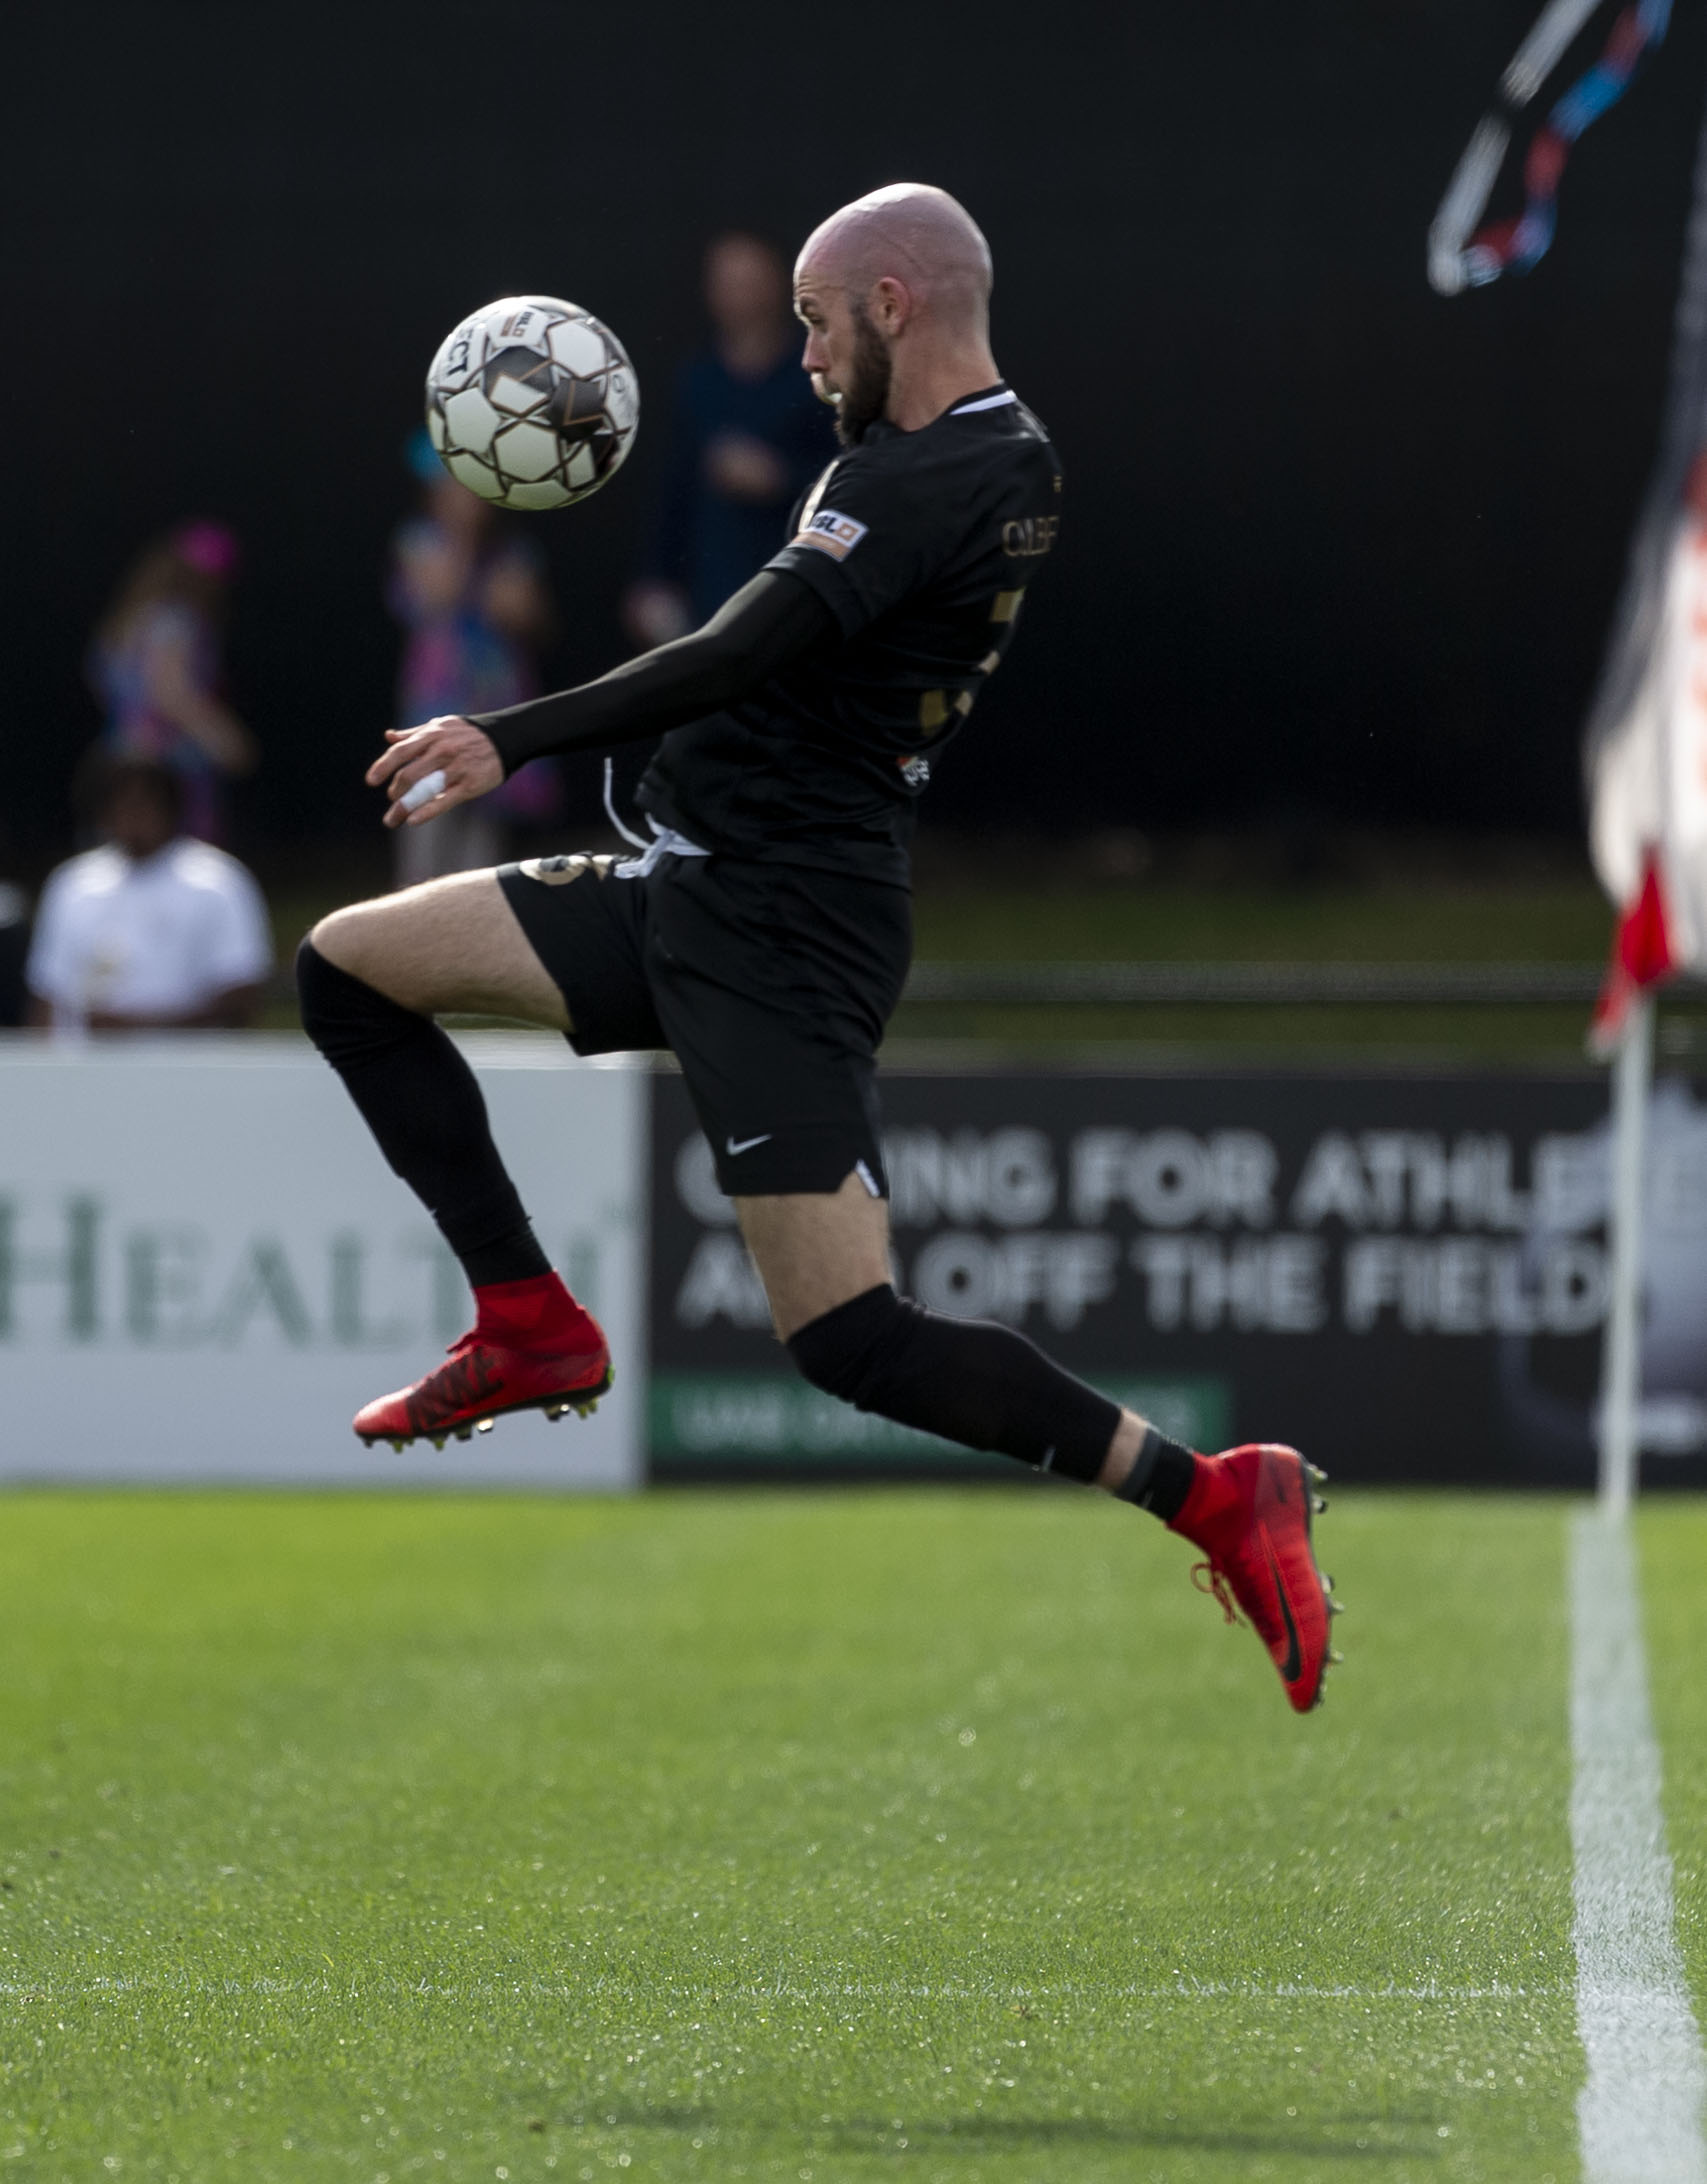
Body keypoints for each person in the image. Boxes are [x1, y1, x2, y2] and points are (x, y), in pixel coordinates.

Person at [297, 184, 1339, 1713]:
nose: (802, 354)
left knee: (852, 1341)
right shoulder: (940, 460)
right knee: (346, 968)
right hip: (690, 888)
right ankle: (526, 1320)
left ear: (891, 303)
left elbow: (738, 653)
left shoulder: (958, 468)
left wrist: (505, 736)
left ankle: (1212, 1495)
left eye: (814, 321)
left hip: (783, 932)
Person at [623, 232, 839, 648]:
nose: (739, 296)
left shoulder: (818, 374)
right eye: (727, 283)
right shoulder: (697, 380)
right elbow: (675, 486)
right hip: (714, 599)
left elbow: (856, 473)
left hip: (799, 599)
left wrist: (781, 478)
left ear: (781, 284)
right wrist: (655, 579)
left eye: (750, 282)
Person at [387, 442, 560, 886]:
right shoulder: (420, 539)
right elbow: (439, 595)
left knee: (484, 826)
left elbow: (527, 617)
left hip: (493, 697)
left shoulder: (511, 551)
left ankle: (470, 915)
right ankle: (414, 916)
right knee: (426, 810)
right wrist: (462, 536)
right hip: (436, 699)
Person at [27, 753, 272, 1032]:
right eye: (120, 802)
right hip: (86, 1058)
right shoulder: (71, 885)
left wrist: (137, 1027)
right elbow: (47, 995)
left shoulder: (219, 882)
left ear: (171, 808)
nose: (132, 815)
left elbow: (241, 1001)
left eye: (143, 802)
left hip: (190, 1059)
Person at [88, 521, 256, 845]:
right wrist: (222, 737)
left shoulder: (130, 619)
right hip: (168, 765)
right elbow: (170, 692)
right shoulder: (176, 621)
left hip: (121, 755)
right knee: (181, 854)